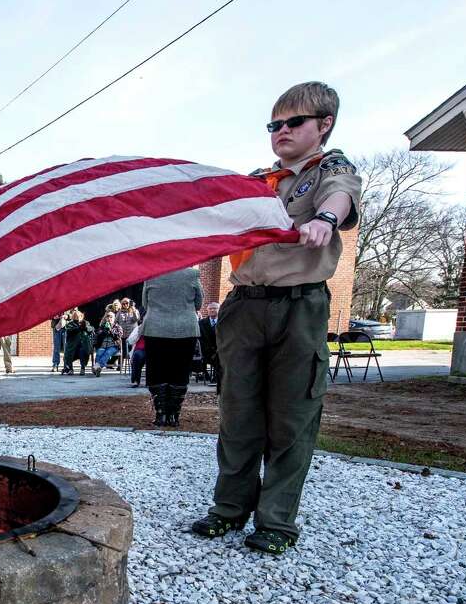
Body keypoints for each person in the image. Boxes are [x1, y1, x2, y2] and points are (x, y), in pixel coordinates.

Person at [191, 81, 362, 556]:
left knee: (292, 416)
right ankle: (229, 508)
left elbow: (339, 197)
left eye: (294, 122)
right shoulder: (256, 182)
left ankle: (277, 520)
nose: (281, 131)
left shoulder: (331, 169)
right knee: (238, 413)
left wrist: (323, 221)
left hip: (298, 307)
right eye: (275, 124)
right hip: (245, 306)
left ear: (324, 124)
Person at [141, 268, 201, 426]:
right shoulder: (192, 274)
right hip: (185, 328)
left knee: (156, 370)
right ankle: (174, 415)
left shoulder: (151, 274)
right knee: (180, 370)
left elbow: (145, 303)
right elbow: (199, 303)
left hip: (156, 327)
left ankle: (161, 414)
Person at [92, 305, 123, 376]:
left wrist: (111, 330)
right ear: (105, 318)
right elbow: (97, 336)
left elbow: (118, 336)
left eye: (111, 317)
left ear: (114, 318)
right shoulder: (102, 327)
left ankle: (97, 367)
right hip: (102, 345)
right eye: (108, 316)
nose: (109, 318)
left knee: (108, 353)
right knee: (99, 353)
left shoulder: (118, 327)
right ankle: (98, 369)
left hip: (113, 346)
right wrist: (104, 331)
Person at [62, 308, 93, 375]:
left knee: (82, 350)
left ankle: (82, 368)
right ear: (73, 317)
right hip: (73, 347)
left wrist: (85, 327)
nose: (78, 317)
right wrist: (78, 328)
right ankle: (70, 369)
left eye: (79, 316)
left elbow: (91, 330)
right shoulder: (70, 324)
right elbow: (70, 331)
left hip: (83, 346)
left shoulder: (86, 323)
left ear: (82, 316)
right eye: (76, 316)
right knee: (69, 353)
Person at [198, 302, 220, 387]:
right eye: (210, 308)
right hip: (206, 350)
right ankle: (206, 375)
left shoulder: (223, 322)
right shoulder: (201, 323)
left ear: (219, 310)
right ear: (207, 310)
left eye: (215, 308)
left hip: (220, 349)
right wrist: (210, 349)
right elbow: (200, 338)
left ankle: (216, 377)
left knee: (219, 357)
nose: (212, 310)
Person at [127, 323, 146, 387]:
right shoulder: (138, 328)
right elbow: (130, 341)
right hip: (140, 350)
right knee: (137, 355)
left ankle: (152, 382)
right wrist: (139, 332)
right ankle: (135, 381)